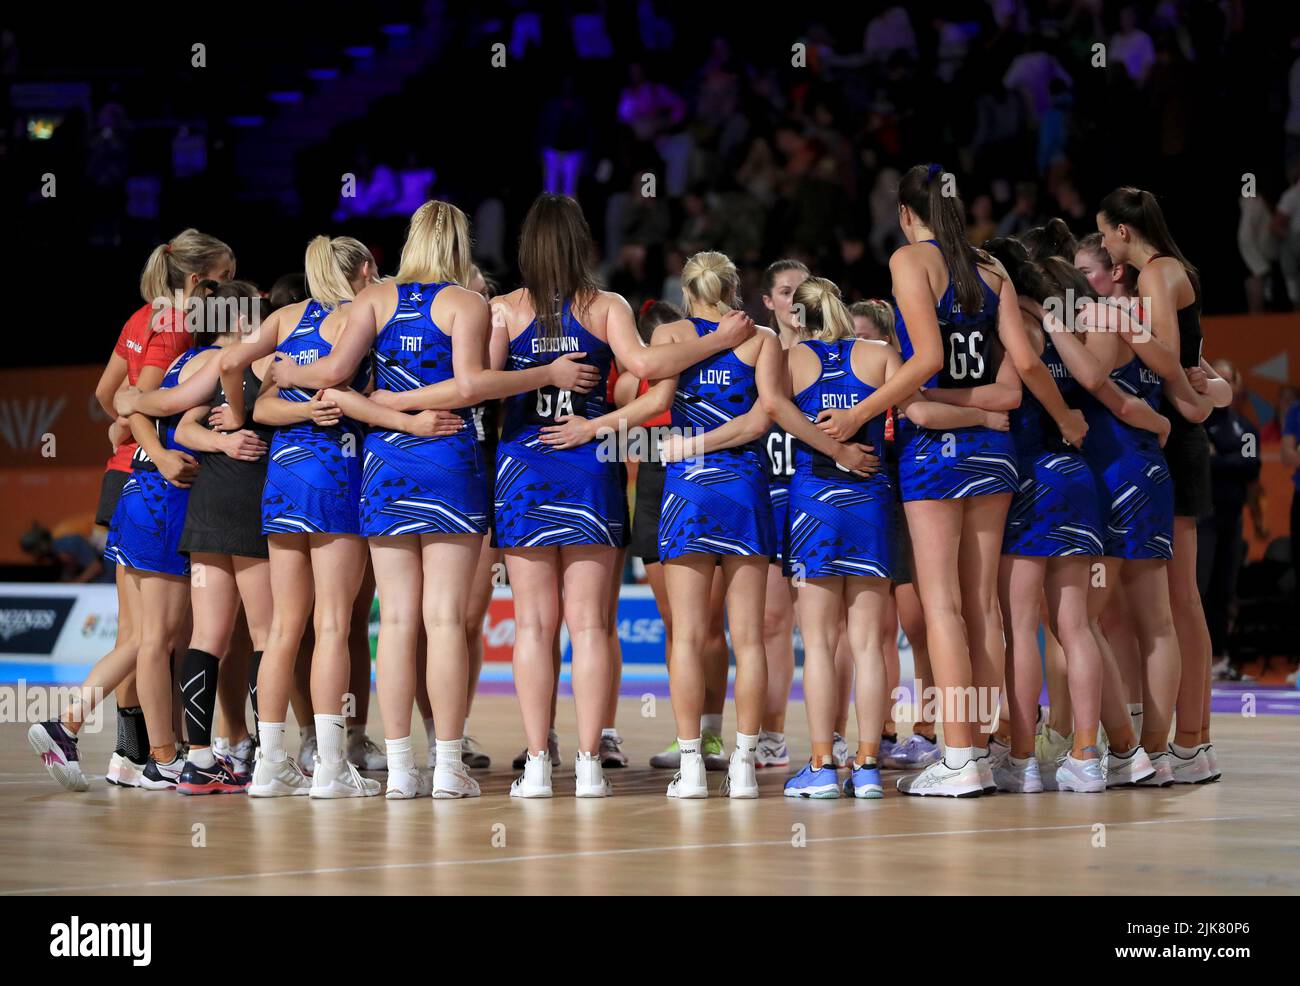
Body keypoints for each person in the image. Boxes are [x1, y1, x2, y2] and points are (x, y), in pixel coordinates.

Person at [489, 195, 756, 799]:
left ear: (526, 245)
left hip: (524, 466)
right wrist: (717, 343)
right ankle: (588, 764)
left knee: (533, 626)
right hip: (588, 463)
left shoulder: (503, 308)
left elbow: (476, 386)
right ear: (582, 242)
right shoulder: (605, 304)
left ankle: (537, 762)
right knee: (591, 626)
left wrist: (535, 374)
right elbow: (646, 365)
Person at [818, 165, 1024, 797]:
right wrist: (980, 408)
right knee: (983, 607)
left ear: (907, 213)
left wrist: (860, 410)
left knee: (944, 607)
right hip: (993, 449)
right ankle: (988, 750)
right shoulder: (994, 269)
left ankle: (958, 755)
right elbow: (1015, 382)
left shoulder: (911, 261)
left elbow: (928, 359)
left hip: (935, 452)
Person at [1098, 186, 1229, 783]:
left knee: (1178, 601)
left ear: (1125, 231)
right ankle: (1189, 742)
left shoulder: (1156, 271)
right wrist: (1206, 392)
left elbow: (1171, 356)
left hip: (1172, 441)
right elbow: (1193, 360)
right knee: (1173, 603)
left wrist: (1191, 400)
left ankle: (1191, 743)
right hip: (1176, 435)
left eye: (1104, 233)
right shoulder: (1176, 269)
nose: (1102, 244)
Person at [756, 259, 809, 768]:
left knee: (825, 626)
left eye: (803, 290)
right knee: (773, 622)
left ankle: (834, 736)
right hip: (771, 497)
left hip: (822, 494)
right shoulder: (756, 353)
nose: (795, 299)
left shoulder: (832, 353)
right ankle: (771, 734)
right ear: (768, 302)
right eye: (785, 291)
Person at [19, 524, 109, 583]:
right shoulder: (55, 556)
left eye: (33, 551)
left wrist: (75, 583)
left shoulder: (71, 543)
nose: (35, 556)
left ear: (41, 545)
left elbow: (96, 567)